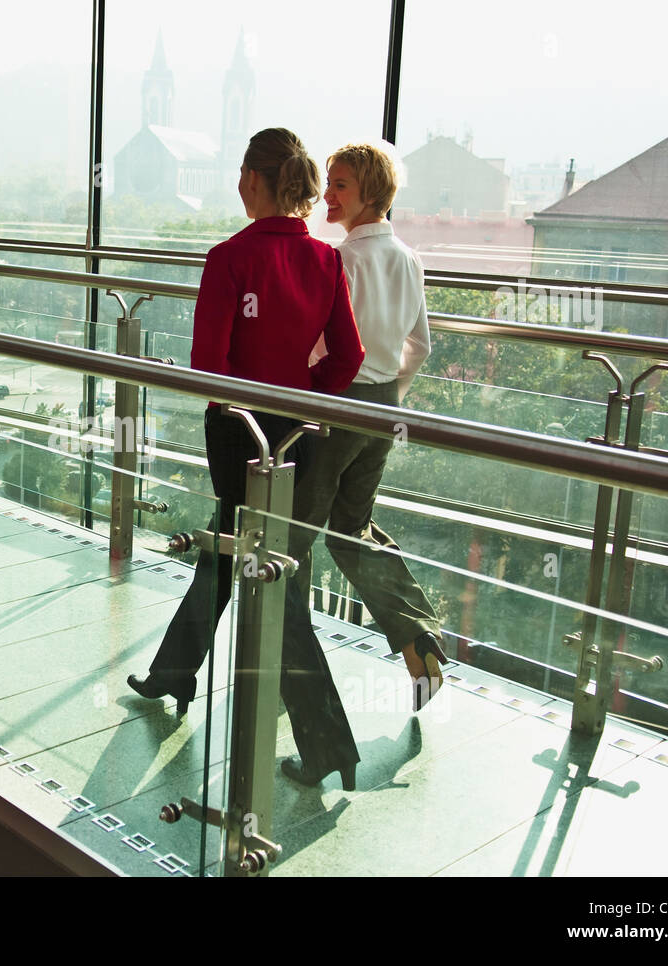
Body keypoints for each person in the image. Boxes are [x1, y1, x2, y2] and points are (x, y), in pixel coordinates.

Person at [127, 127, 366, 789]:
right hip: (297, 437)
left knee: (259, 566)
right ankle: (174, 673)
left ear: (259, 180)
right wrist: (301, 397)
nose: (236, 183)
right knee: (237, 549)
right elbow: (347, 357)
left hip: (238, 432)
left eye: (241, 172)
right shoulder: (325, 260)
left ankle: (327, 745)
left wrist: (247, 399)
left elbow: (209, 366)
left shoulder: (229, 257)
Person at [300, 141, 447, 709]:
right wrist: (390, 396)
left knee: (295, 536)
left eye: (340, 185)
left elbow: (322, 346)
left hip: (339, 405)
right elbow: (421, 344)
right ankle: (417, 635)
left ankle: (290, 684)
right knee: (352, 527)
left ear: (371, 194)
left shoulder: (341, 260)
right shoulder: (409, 258)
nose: (327, 195)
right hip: (384, 406)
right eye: (328, 183)